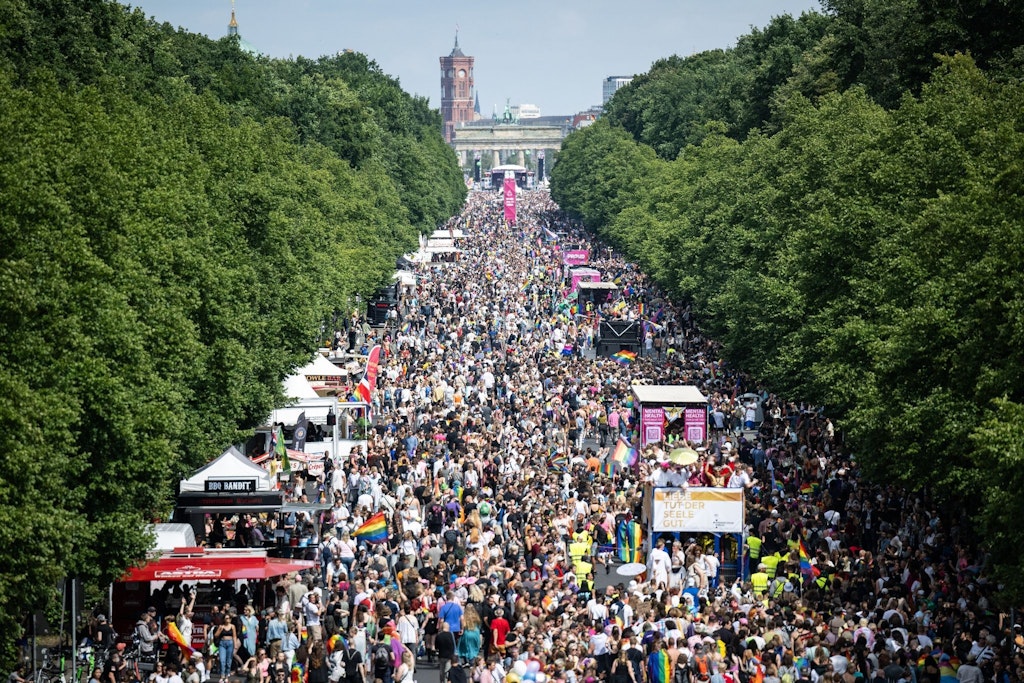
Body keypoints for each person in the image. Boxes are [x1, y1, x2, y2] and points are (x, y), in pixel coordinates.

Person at [213, 610, 238, 682]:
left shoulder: (233, 626)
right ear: (224, 619)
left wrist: (235, 644)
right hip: (222, 643)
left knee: (228, 661)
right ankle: (222, 675)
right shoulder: (221, 626)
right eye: (226, 618)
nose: (228, 620)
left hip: (230, 643)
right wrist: (220, 630)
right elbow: (216, 635)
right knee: (222, 660)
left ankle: (227, 675)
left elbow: (234, 636)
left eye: (229, 618)